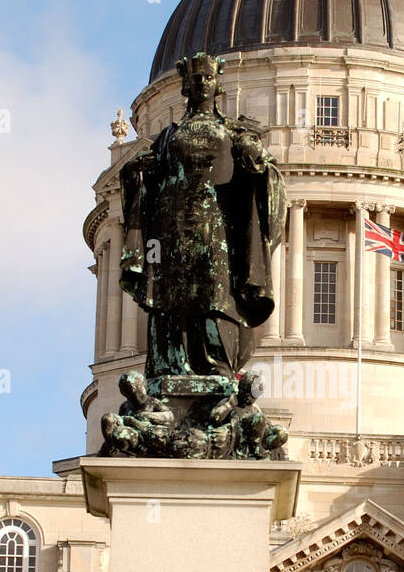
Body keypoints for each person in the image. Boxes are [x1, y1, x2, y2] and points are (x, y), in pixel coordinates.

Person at [119, 52, 286, 379]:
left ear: (217, 84)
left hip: (218, 232)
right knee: (173, 304)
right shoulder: (167, 137)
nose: (201, 83)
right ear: (185, 86)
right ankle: (175, 365)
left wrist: (258, 166)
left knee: (215, 299)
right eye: (194, 78)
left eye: (207, 78)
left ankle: (216, 369)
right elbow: (149, 184)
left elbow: (267, 179)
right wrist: (134, 175)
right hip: (173, 231)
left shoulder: (235, 133)